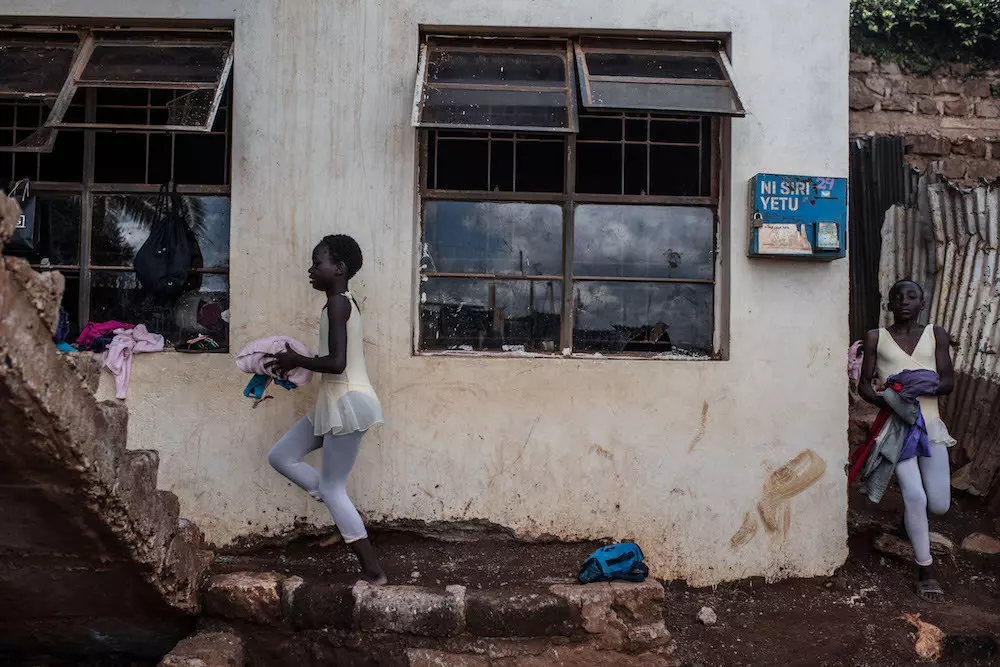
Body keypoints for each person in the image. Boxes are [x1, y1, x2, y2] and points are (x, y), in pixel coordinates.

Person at [265, 234, 387, 585]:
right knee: (281, 456)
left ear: (339, 268)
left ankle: (373, 571)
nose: (311, 269)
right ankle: (340, 511)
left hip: (348, 403)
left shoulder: (338, 303)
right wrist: (293, 364)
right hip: (334, 402)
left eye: (317, 263)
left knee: (334, 488)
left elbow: (336, 363)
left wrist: (295, 358)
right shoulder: (338, 302)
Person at [858, 279, 955, 602]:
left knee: (938, 504)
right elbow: (865, 388)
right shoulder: (877, 338)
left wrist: (916, 386)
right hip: (897, 431)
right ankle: (925, 570)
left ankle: (908, 523)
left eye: (911, 296)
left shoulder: (935, 335)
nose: (904, 301)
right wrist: (891, 400)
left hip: (931, 426)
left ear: (922, 304)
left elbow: (947, 382)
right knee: (915, 496)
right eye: (897, 297)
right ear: (889, 304)